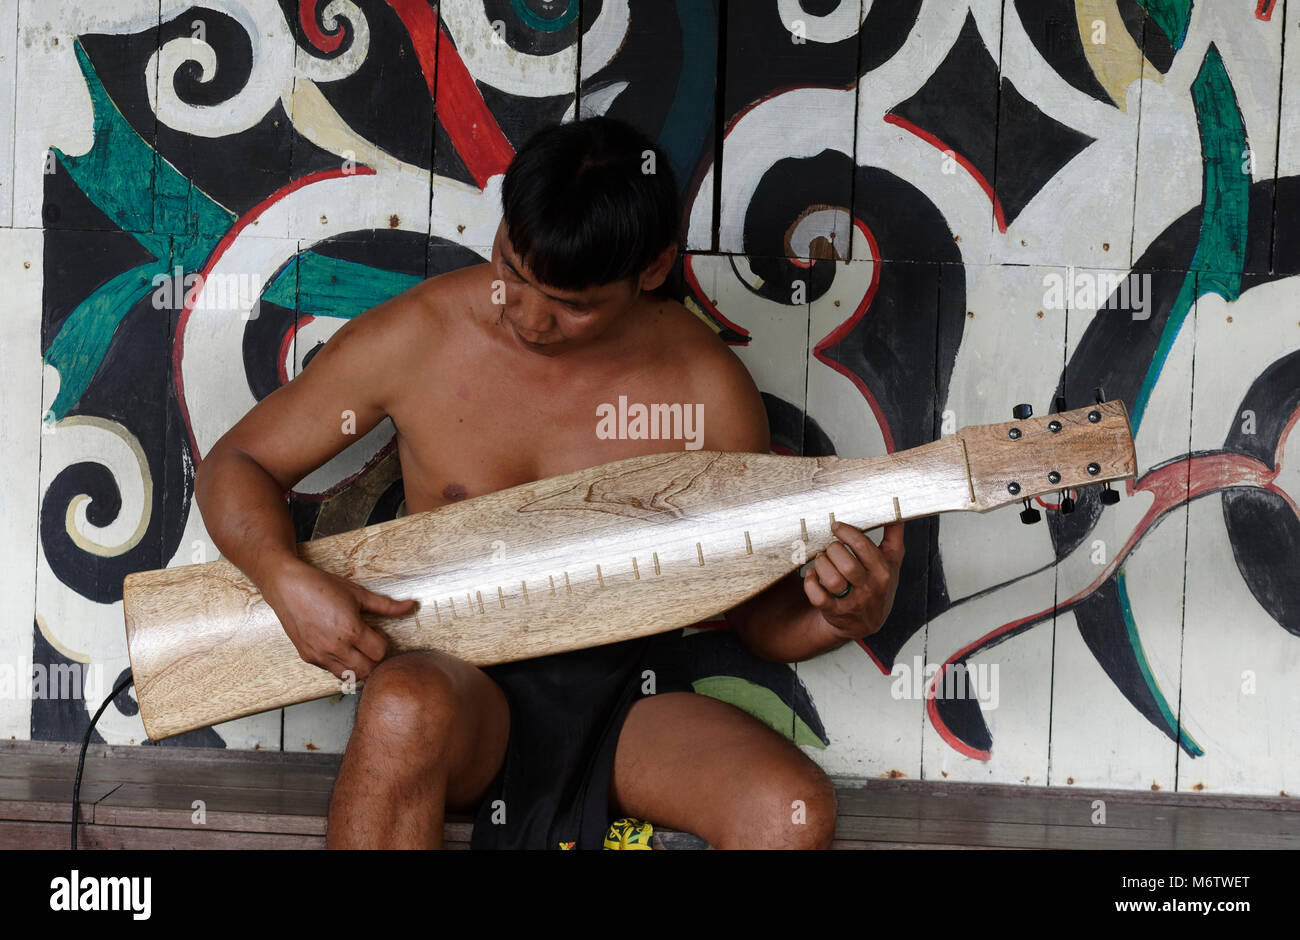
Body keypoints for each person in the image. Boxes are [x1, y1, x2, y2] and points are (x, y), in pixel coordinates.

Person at [194, 115, 904, 849]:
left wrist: (840, 617)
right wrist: (281, 578)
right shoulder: (418, 339)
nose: (530, 318)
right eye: (513, 271)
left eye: (574, 304)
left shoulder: (707, 392)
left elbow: (753, 616)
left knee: (790, 813)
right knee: (403, 705)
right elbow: (237, 464)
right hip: (455, 688)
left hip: (631, 702)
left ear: (653, 270)